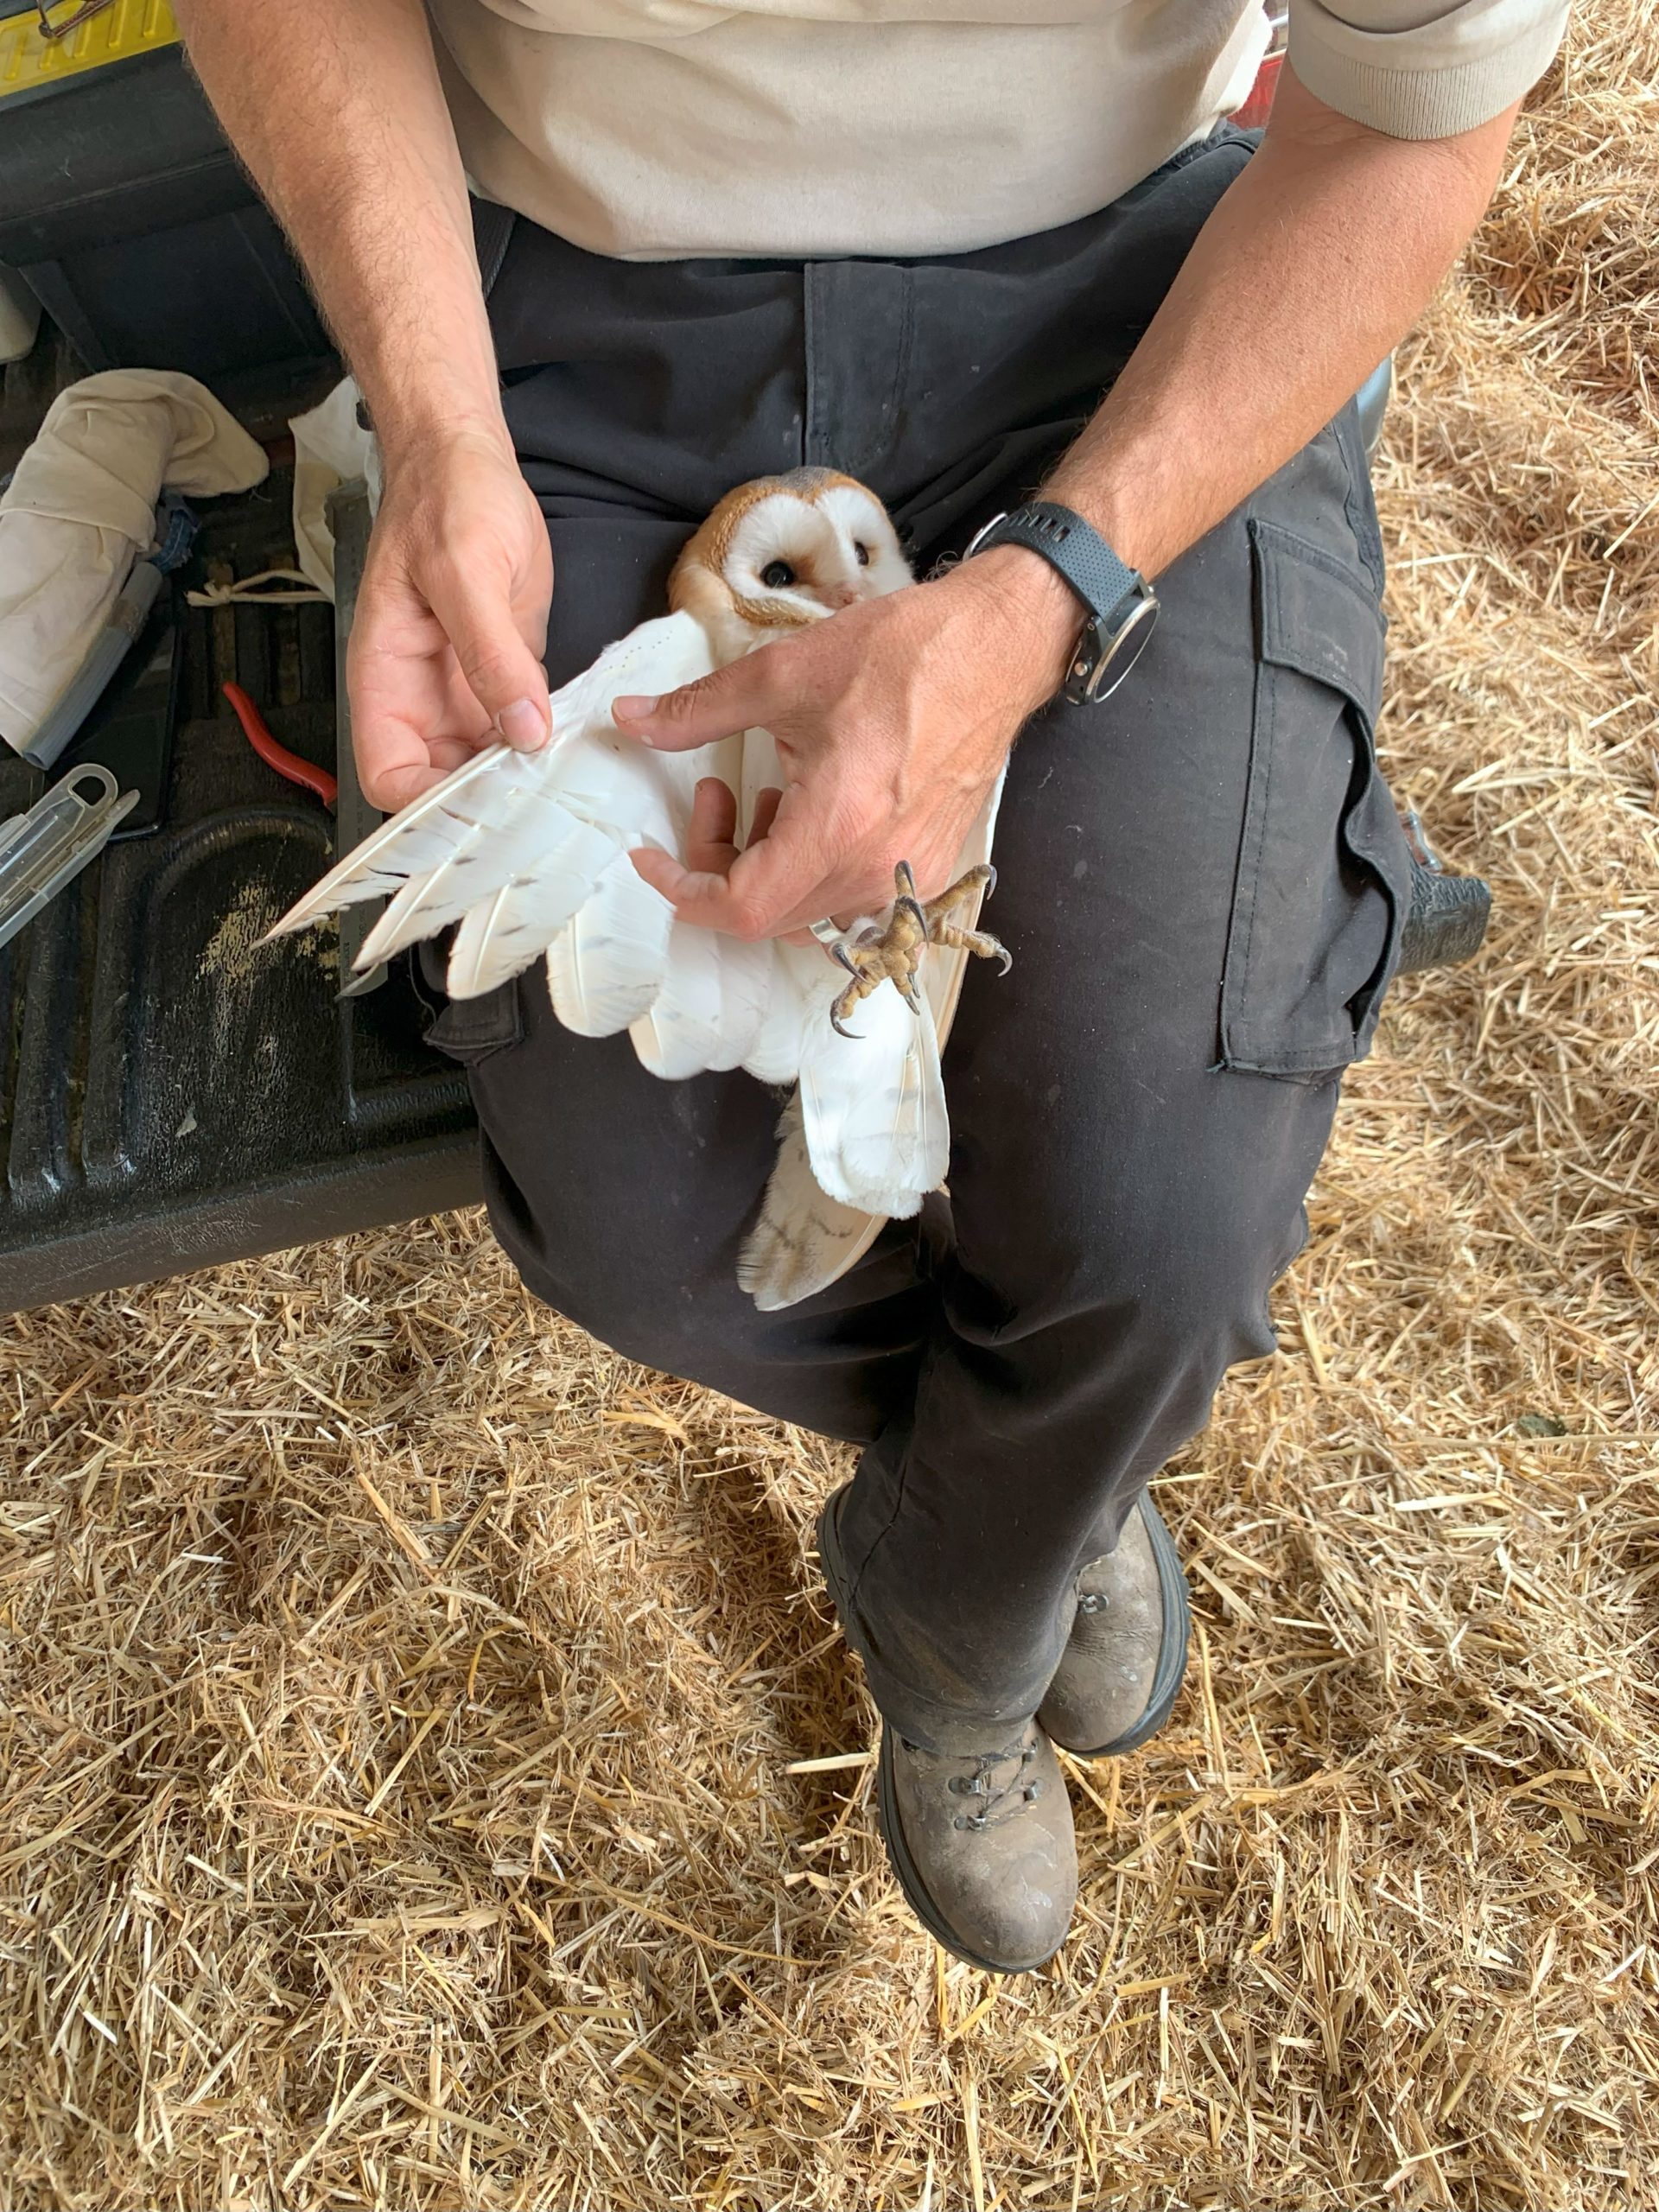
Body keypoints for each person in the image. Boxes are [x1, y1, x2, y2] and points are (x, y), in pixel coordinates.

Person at [175, 0, 1567, 1974]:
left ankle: (954, 1612)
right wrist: (437, 420)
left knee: (1158, 1221)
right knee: (653, 1230)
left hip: (1126, 322)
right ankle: (1037, 1491)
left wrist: (1039, 598)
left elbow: (1417, 120)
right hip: (571, 324)